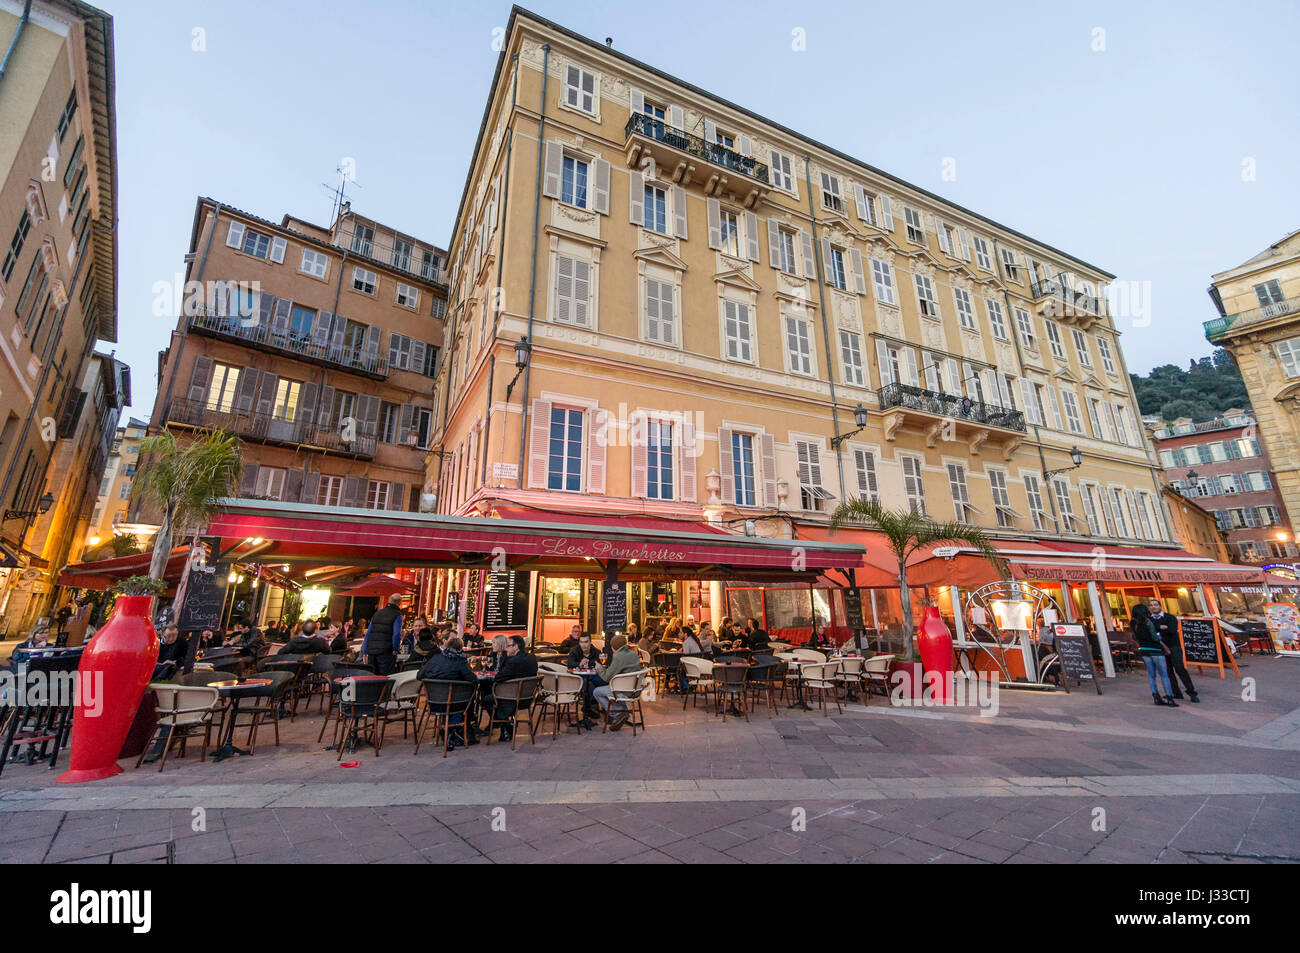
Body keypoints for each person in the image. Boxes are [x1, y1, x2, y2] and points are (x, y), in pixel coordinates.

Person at [417, 637, 478, 749]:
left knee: (453, 698)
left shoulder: (435, 659)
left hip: (434, 703)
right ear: (461, 649)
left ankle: (448, 730)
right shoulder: (459, 661)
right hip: (455, 704)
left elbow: (419, 675)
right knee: (467, 697)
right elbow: (473, 679)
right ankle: (452, 731)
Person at [489, 635, 538, 741]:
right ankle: (506, 727)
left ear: (515, 647)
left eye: (508, 646)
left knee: (486, 700)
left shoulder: (512, 661)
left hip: (511, 699)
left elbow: (498, 678)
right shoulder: (532, 658)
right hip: (527, 698)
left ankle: (506, 726)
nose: (506, 648)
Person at [1149, 599, 1198, 702]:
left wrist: (1156, 629)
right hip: (1160, 648)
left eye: (1155, 604)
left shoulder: (1169, 617)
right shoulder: (1150, 620)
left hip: (1173, 646)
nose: (1154, 607)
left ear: (1160, 606)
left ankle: (1192, 692)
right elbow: (1149, 631)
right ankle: (1176, 692)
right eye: (1151, 605)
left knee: (1180, 668)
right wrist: (1160, 627)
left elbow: (1171, 630)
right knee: (1167, 671)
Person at [1132, 603, 1178, 707]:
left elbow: (1135, 637)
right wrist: (1161, 640)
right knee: (1164, 674)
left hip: (1144, 650)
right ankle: (1169, 697)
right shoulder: (1148, 622)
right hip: (1155, 649)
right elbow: (1155, 637)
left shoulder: (1134, 624)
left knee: (1151, 675)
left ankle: (1156, 695)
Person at [593, 634, 642, 730]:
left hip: (625, 691)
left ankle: (618, 713)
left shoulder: (618, 657)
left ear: (614, 647)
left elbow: (606, 678)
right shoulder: (633, 654)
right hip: (636, 690)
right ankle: (622, 713)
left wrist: (599, 668)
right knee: (607, 689)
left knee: (597, 692)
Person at [362, 595, 404, 676]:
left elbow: (368, 633)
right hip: (386, 651)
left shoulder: (377, 613)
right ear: (400, 603)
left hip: (372, 650)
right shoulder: (397, 615)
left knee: (373, 676)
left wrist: (365, 650)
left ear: (389, 600)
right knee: (386, 677)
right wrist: (395, 649)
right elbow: (396, 635)